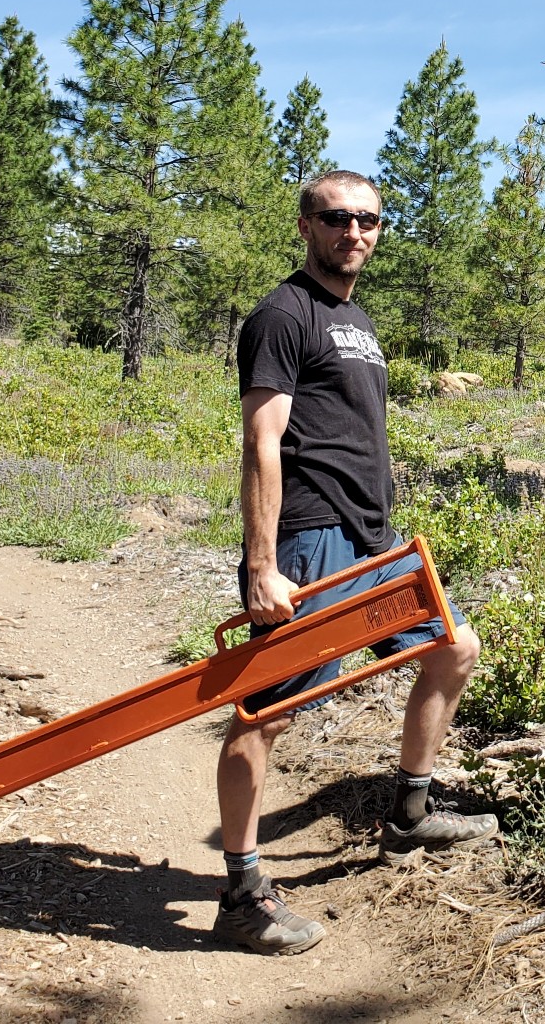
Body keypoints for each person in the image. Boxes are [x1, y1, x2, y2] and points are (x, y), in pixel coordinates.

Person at [212, 169, 497, 955]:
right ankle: (241, 892)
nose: (356, 232)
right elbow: (262, 441)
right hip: (311, 541)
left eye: (370, 219)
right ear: (306, 225)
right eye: (339, 218)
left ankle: (408, 815)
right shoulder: (281, 315)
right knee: (262, 712)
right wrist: (265, 565)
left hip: (374, 543)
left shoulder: (356, 319)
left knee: (453, 649)